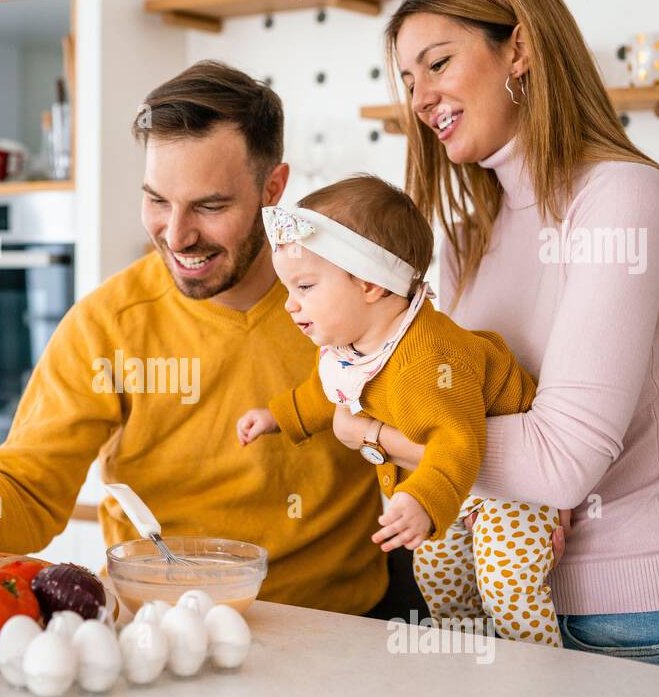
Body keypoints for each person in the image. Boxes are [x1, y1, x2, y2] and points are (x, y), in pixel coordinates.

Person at [337, 0, 659, 683]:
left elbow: (559, 463)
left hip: (636, 627)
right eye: (407, 81)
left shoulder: (623, 201)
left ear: (519, 48)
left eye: (437, 63)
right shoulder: (470, 236)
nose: (421, 96)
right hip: (504, 616)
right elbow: (454, 412)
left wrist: (372, 431)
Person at [0, 61, 390, 615]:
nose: (177, 234)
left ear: (273, 189)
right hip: (160, 629)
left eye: (210, 207)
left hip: (340, 628)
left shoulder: (358, 298)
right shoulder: (109, 323)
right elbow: (28, 493)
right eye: (158, 201)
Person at [238, 175, 562, 644]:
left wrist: (421, 501)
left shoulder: (427, 359)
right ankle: (472, 656)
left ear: (370, 284)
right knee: (435, 574)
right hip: (444, 482)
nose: (290, 305)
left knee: (507, 586)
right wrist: (277, 417)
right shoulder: (349, 345)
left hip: (507, 491)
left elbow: (458, 440)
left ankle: (539, 672)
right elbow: (324, 391)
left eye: (305, 286)